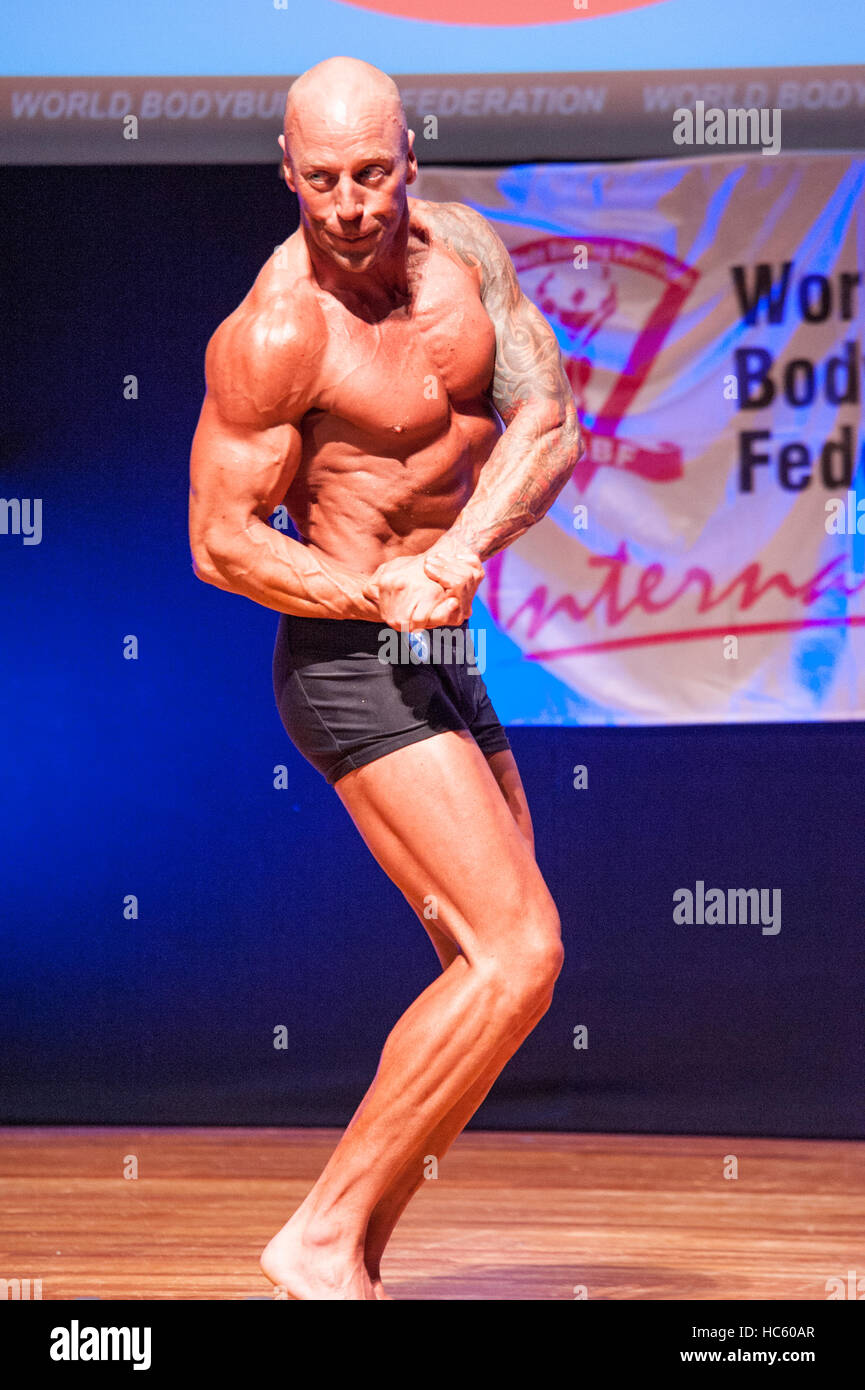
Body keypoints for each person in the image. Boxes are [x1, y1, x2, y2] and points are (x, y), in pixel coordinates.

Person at [188, 55, 584, 1301]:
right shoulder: (277, 329)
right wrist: (372, 592)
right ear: (287, 175)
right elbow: (219, 539)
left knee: (503, 979)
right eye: (322, 180)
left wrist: (458, 556)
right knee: (516, 951)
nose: (351, 204)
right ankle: (316, 1235)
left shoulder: (465, 255)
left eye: (370, 173)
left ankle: (357, 1252)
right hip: (354, 655)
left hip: (444, 642)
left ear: (410, 158)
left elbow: (549, 420)